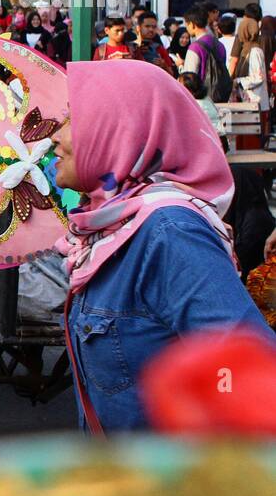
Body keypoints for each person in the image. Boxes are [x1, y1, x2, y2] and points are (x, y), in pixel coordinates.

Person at [52, 61, 267, 432]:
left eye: (72, 119)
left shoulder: (168, 231)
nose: (55, 135)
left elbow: (251, 371)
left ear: (118, 130)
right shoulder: (111, 225)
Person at [231, 10, 269, 146]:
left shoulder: (254, 51)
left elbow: (258, 77)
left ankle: (253, 168)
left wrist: (239, 81)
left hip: (255, 102)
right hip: (249, 102)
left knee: (251, 143)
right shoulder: (248, 49)